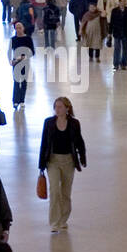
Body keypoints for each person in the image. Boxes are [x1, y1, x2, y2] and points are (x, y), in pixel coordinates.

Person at [38, 96, 86, 234]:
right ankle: (54, 222)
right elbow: (44, 144)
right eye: (56, 107)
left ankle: (63, 219)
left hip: (69, 161)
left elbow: (79, 142)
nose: (57, 110)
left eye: (60, 107)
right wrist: (41, 164)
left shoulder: (74, 123)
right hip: (52, 161)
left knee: (65, 193)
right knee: (54, 190)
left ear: (67, 108)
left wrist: (82, 157)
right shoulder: (49, 123)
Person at [8, 21, 35, 108]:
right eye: (17, 28)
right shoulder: (13, 39)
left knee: (23, 82)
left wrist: (24, 57)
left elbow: (32, 52)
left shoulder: (28, 39)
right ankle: (15, 100)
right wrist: (11, 60)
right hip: (16, 63)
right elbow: (9, 51)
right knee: (16, 82)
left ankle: (22, 100)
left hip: (25, 63)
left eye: (20, 28)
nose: (18, 30)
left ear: (23, 28)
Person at [109, 0, 127, 70]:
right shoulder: (114, 11)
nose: (124, 3)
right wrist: (109, 33)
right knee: (117, 48)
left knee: (125, 48)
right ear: (119, 2)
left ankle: (124, 64)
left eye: (125, 1)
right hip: (117, 32)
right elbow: (111, 22)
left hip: (125, 31)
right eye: (122, 1)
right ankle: (116, 64)